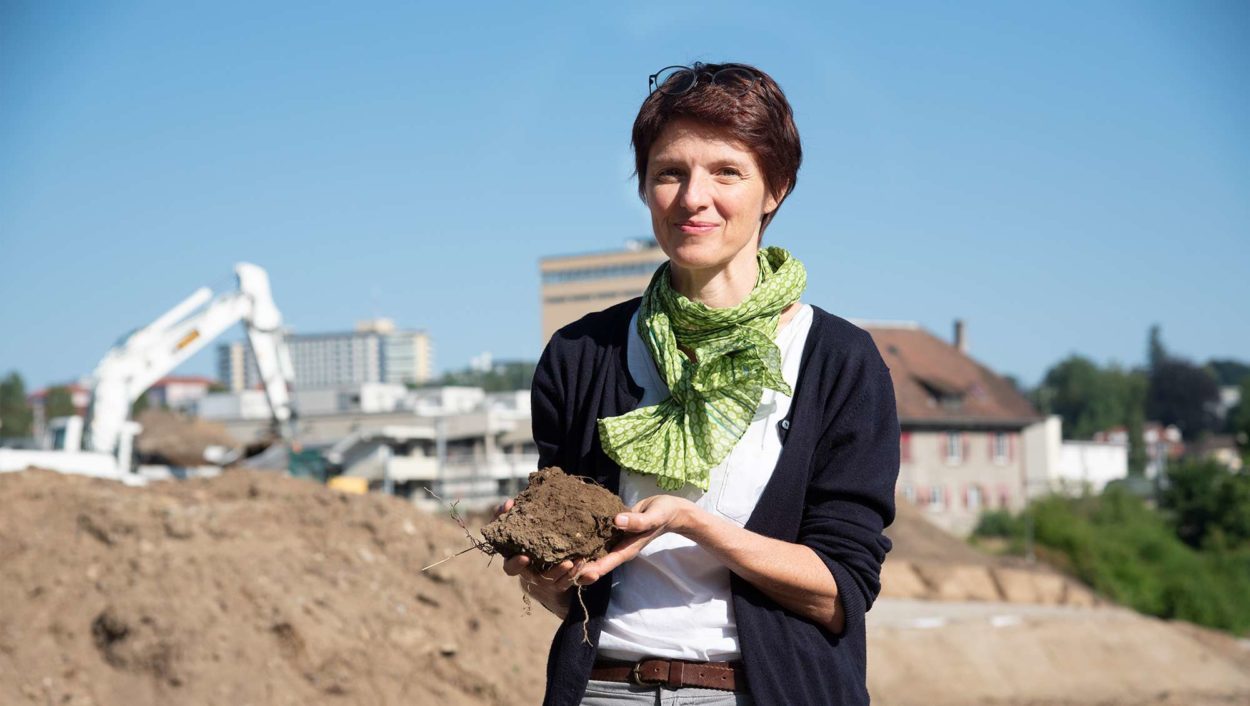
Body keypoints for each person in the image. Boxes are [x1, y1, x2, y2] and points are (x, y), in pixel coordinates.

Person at [502, 61, 899, 706]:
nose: (693, 198)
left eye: (726, 172)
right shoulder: (580, 355)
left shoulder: (839, 362)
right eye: (670, 172)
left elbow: (839, 593)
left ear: (777, 188)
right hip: (605, 689)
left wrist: (693, 523)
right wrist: (544, 569)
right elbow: (569, 595)